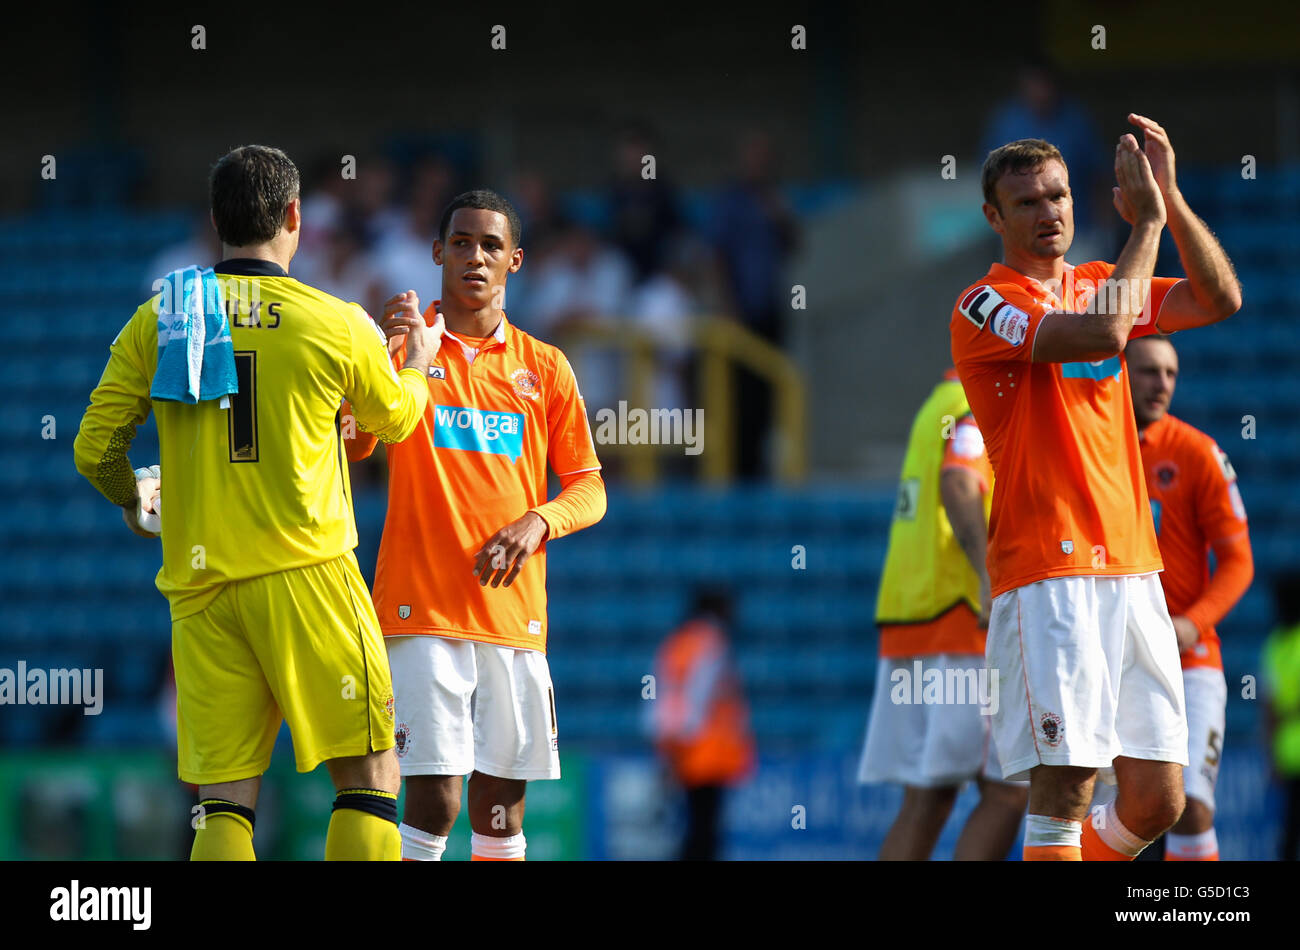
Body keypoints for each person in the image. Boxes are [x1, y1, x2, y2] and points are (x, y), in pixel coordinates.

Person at [73, 144, 442, 860]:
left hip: (202, 588)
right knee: (369, 779)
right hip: (309, 576)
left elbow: (94, 451)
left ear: (216, 221)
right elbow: (397, 421)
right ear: (295, 216)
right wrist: (419, 364)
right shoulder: (334, 320)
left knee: (221, 807)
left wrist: (138, 500)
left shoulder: (161, 318)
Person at [950, 116, 1242, 861]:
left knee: (1160, 799)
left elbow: (1218, 299)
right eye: (1026, 203)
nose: (1047, 212)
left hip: (1133, 571)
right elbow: (1101, 337)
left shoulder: (1101, 282)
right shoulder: (984, 303)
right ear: (994, 218)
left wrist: (1170, 200)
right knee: (1068, 783)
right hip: (1049, 574)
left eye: (1058, 196)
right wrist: (1145, 226)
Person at [345, 189, 606, 862]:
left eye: (492, 246)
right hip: (421, 608)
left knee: (501, 810)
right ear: (438, 252)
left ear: (515, 260)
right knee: (435, 798)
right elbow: (355, 447)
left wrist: (538, 522)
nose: (476, 258)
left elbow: (590, 487)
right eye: (461, 243)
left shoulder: (545, 367)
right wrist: (383, 359)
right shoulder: (403, 349)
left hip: (513, 617)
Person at [859, 369, 1027, 860]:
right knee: (1008, 789)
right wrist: (988, 575)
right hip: (962, 619)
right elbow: (959, 482)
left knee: (926, 796)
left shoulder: (937, 405)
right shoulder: (978, 402)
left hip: (912, 618)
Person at [1126, 334, 1253, 861]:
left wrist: (1191, 624)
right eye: (1148, 371)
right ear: (1119, 373)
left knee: (1192, 804)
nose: (1162, 384)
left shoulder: (1199, 453)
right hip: (1116, 660)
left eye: (1171, 373)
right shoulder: (1093, 450)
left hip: (1190, 660)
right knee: (1119, 807)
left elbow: (1239, 561)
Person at [650, 588, 755, 860]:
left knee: (695, 824)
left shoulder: (677, 643)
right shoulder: (711, 642)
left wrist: (669, 745)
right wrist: (684, 737)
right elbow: (699, 694)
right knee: (704, 829)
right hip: (706, 751)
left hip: (685, 748)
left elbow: (662, 696)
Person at [1262, 572, 1300, 860]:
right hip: (1289, 755)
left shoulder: (1274, 645)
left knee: (1289, 833)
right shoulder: (1275, 645)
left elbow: (1268, 707)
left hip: (1287, 753)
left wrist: (1272, 756)